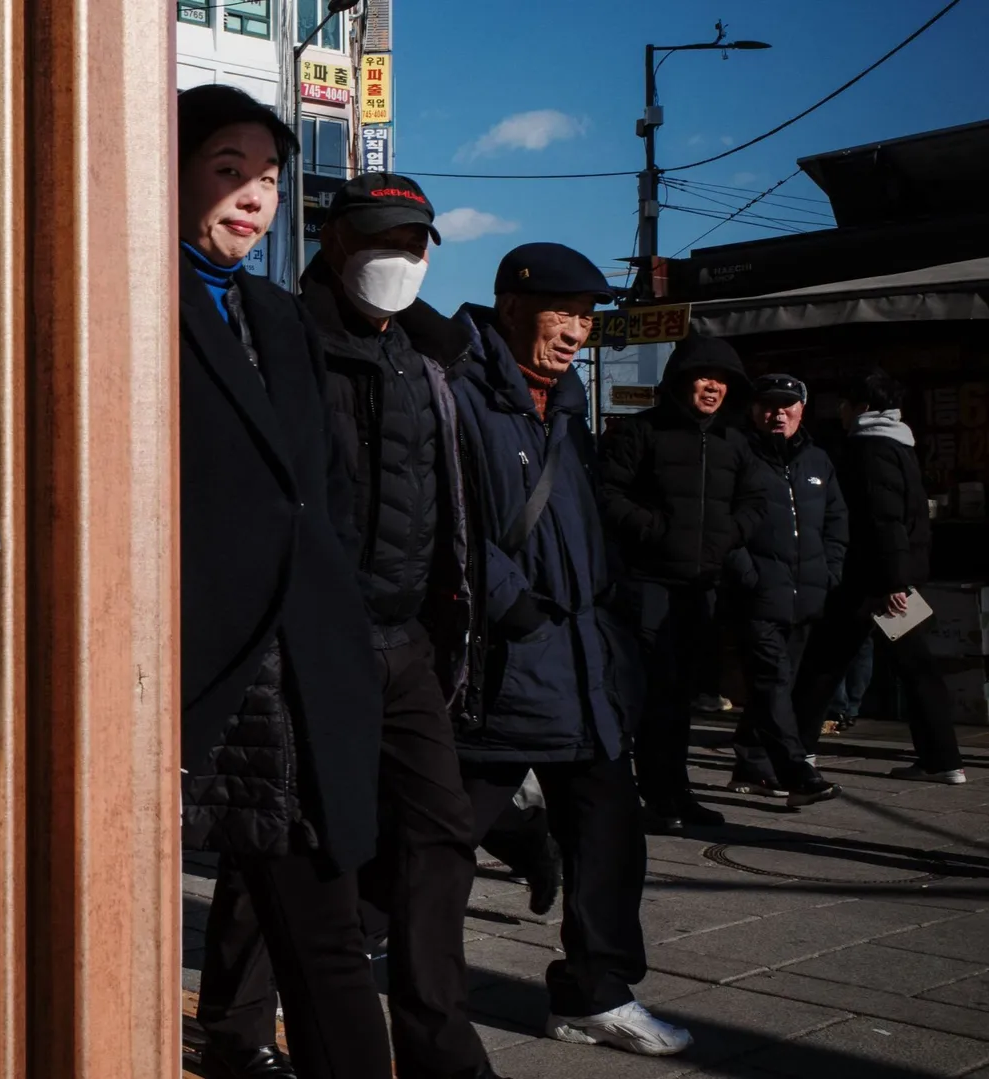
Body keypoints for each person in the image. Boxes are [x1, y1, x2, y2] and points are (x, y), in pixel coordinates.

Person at [175, 84, 390, 1079]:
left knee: (324, 922)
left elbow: (325, 487)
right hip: (186, 654)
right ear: (170, 175)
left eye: (265, 180)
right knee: (114, 919)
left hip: (297, 655)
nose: (252, 198)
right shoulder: (125, 292)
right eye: (227, 172)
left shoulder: (277, 310)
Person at [447, 242, 692, 1058]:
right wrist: (515, 611)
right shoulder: (459, 391)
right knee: (438, 836)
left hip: (584, 660)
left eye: (588, 316)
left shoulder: (571, 403)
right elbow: (452, 525)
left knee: (609, 830)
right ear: (513, 307)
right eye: (565, 312)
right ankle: (350, 960)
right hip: (507, 664)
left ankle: (596, 992)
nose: (578, 331)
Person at [296, 172, 498, 1079]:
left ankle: (441, 1048)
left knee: (440, 832)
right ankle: (246, 1022)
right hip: (311, 641)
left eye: (414, 245)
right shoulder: (287, 341)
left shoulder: (426, 363)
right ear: (337, 244)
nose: (400, 261)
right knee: (309, 854)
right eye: (382, 241)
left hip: (406, 637)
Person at [599, 335, 765, 832]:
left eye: (721, 380)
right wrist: (654, 531)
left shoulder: (736, 442)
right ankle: (652, 794)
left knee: (682, 695)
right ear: (680, 381)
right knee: (653, 694)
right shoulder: (640, 431)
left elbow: (756, 503)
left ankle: (676, 792)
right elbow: (606, 492)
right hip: (647, 583)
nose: (712, 387)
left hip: (703, 587)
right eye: (703, 377)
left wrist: (727, 536)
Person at [794, 371, 967, 784]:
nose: (840, 411)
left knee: (823, 664)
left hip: (869, 583)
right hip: (891, 581)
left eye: (845, 403)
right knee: (916, 668)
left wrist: (892, 583)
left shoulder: (867, 450)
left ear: (862, 407)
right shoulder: (901, 444)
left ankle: (796, 751)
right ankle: (942, 759)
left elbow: (883, 520)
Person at [721, 374, 845, 807]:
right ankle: (796, 772)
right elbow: (723, 524)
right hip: (757, 595)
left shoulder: (817, 460)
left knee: (778, 685)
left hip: (807, 595)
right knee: (773, 682)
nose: (778, 413)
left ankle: (752, 766)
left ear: (801, 410)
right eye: (769, 405)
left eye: (787, 405)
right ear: (754, 411)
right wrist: (747, 575)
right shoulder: (738, 455)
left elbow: (836, 522)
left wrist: (829, 571)